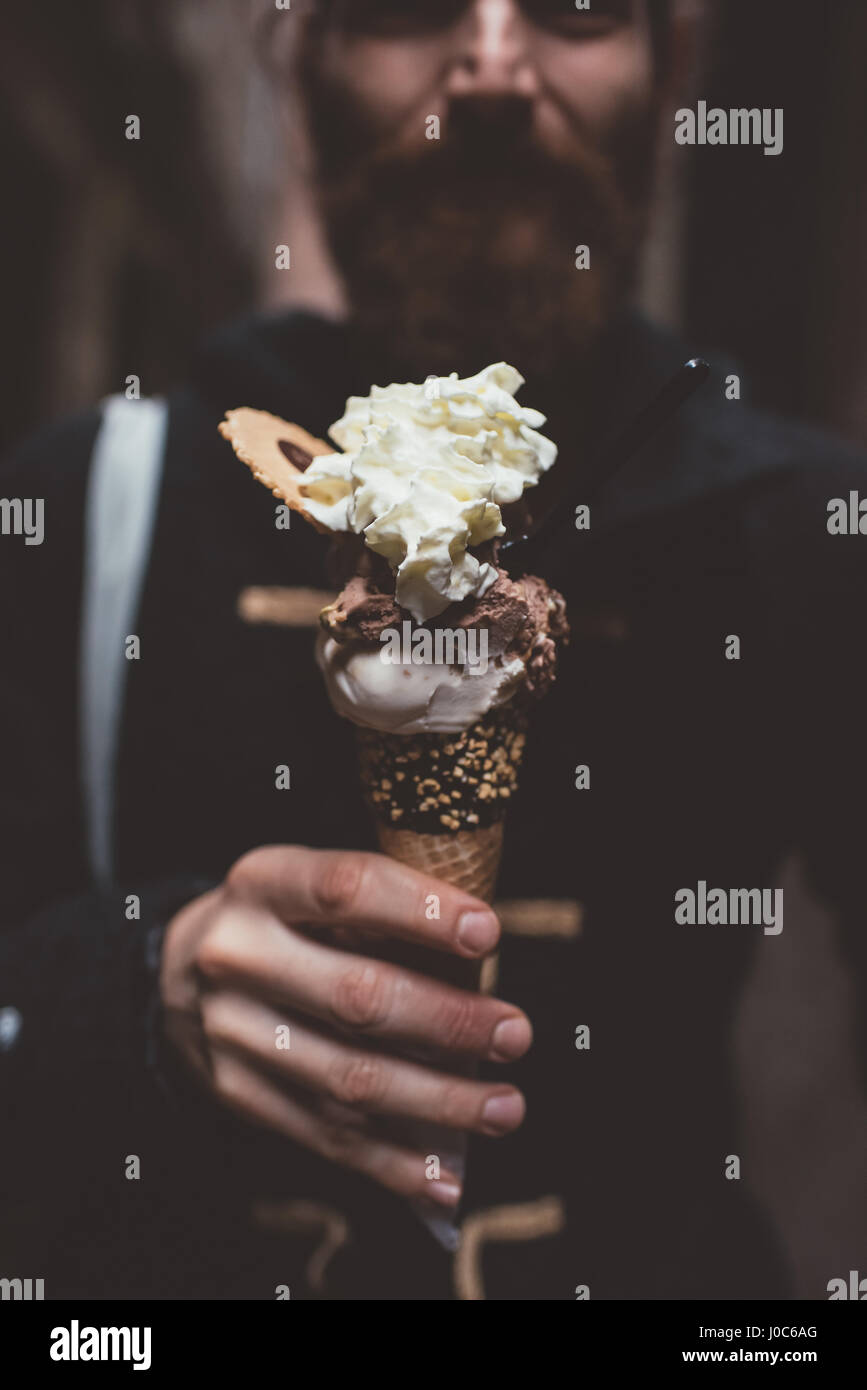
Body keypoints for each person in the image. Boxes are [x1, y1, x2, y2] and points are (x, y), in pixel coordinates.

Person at [1, 0, 865, 1301]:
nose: (496, 66)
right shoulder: (88, 505)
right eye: (405, 6)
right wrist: (132, 987)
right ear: (297, 65)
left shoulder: (806, 536)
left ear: (672, 67)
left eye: (577, 9)